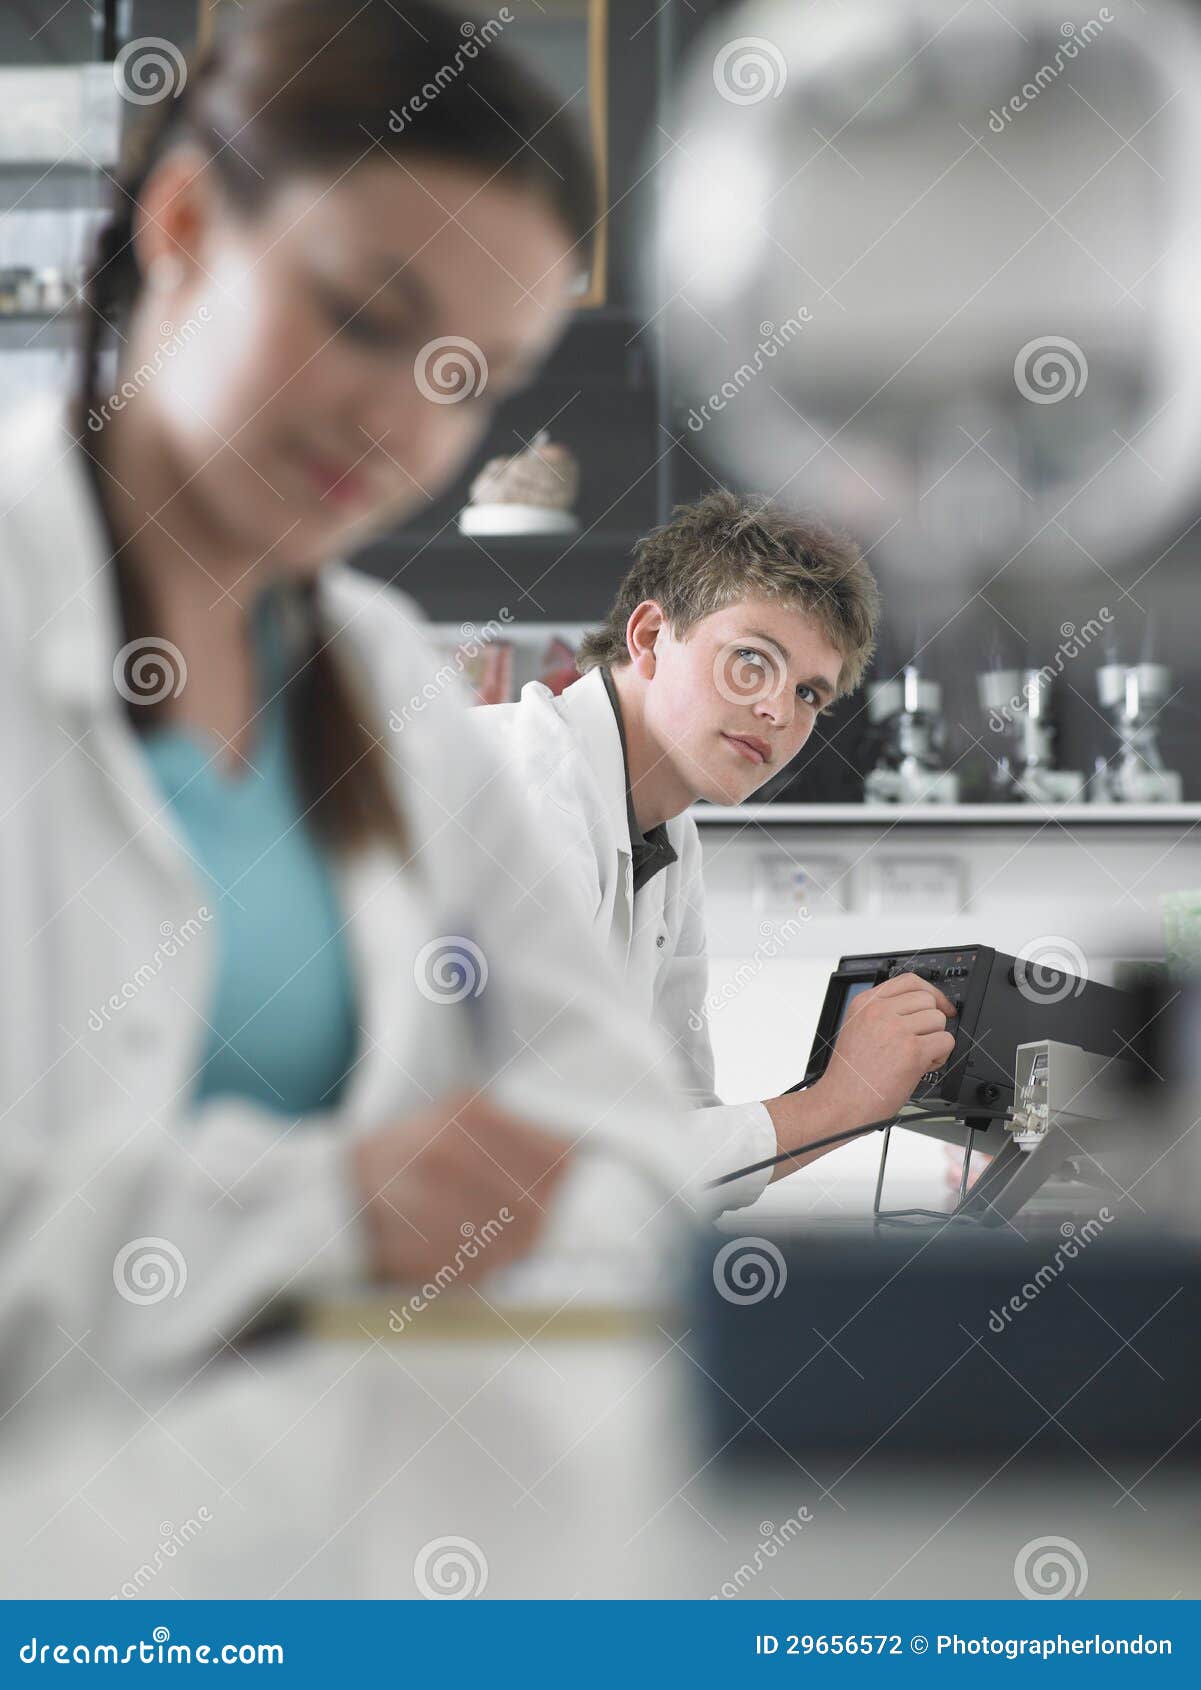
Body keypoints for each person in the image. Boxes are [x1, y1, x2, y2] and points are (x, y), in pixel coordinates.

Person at [0, 0, 694, 1400]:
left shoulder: (376, 674)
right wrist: (323, 1209)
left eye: (474, 383)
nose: (407, 428)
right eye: (365, 318)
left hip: (288, 1544)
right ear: (185, 224)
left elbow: (628, 1126)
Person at [470, 491, 959, 1205]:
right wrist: (838, 1104)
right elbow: (534, 1151)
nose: (778, 713)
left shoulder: (668, 832)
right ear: (647, 637)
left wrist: (843, 1100)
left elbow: (674, 1123)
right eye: (751, 661)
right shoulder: (526, 784)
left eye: (810, 696)